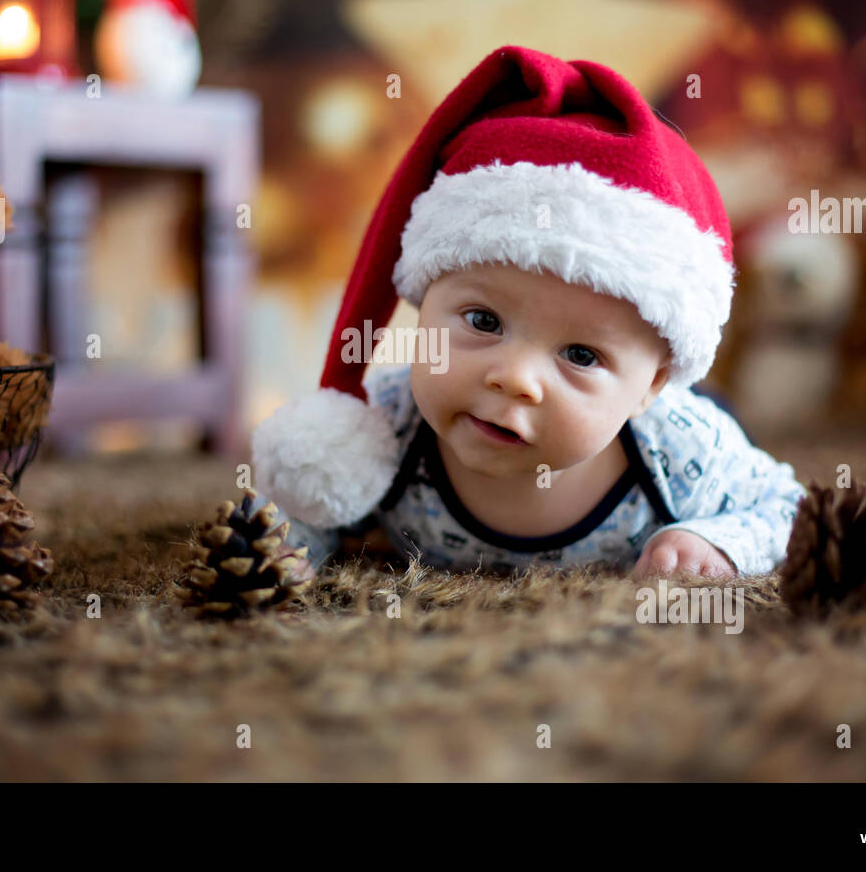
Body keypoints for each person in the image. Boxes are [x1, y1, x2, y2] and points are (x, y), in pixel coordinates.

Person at [250, 45, 805, 581]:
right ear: (424, 304)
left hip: (691, 415)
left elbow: (785, 509)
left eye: (581, 354)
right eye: (484, 322)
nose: (515, 378)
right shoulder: (384, 427)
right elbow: (302, 507)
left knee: (724, 423)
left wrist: (715, 543)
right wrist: (286, 550)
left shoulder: (680, 449)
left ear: (651, 385)